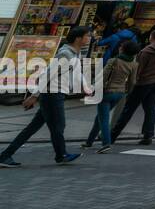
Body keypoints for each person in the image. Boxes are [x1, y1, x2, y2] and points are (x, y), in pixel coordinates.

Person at [0, 26, 92, 167]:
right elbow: (48, 75)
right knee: (58, 126)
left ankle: (5, 156)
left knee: (34, 128)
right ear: (78, 38)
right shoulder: (65, 54)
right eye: (87, 36)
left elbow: (77, 72)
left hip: (55, 94)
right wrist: (34, 96)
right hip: (52, 94)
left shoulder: (74, 53)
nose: (89, 38)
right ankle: (61, 155)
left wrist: (86, 86)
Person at [111, 27, 155, 145]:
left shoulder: (145, 51)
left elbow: (138, 70)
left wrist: (131, 83)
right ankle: (148, 135)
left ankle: (113, 135)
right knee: (151, 108)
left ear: (151, 36)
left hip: (144, 82)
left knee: (129, 108)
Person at [83, 39, 138, 152]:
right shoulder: (134, 64)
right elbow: (132, 82)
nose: (119, 47)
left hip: (106, 93)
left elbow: (103, 76)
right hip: (119, 93)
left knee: (103, 119)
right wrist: (128, 92)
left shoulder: (114, 61)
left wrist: (94, 89)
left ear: (123, 49)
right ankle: (89, 142)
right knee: (100, 117)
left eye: (121, 46)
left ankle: (106, 143)